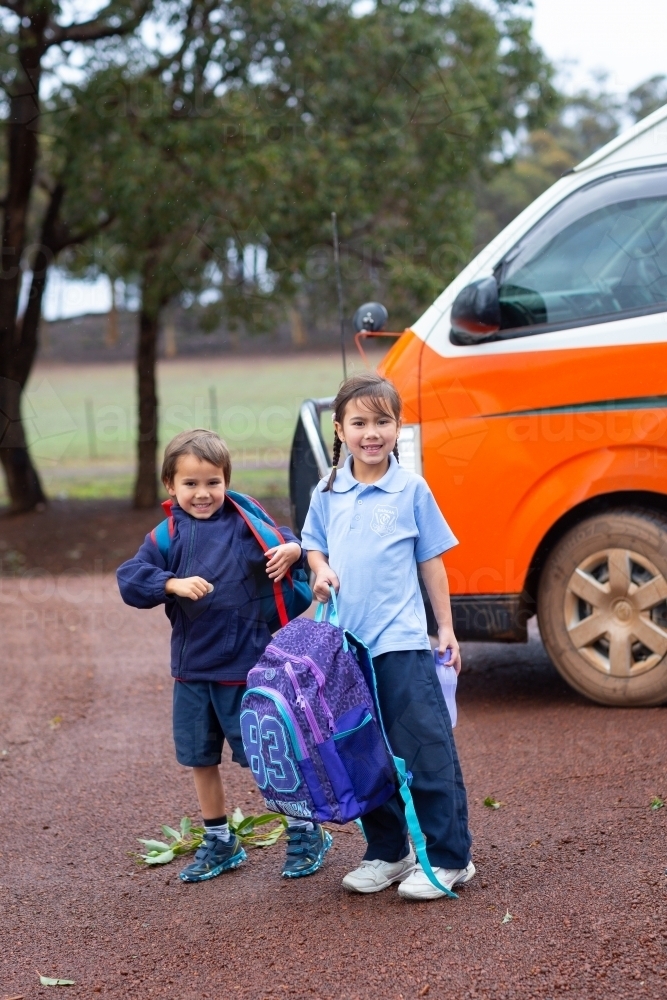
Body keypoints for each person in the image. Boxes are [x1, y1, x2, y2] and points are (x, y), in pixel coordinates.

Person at [117, 428, 331, 883]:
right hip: (193, 671)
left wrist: (292, 549)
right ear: (170, 487)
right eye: (190, 484)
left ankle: (304, 828)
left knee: (265, 757)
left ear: (226, 481)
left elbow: (287, 539)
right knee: (200, 758)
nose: (203, 493)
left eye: (213, 482)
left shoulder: (245, 520)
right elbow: (130, 578)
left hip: (247, 669)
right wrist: (170, 583)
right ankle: (220, 841)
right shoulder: (166, 535)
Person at [300, 373, 474, 900]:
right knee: (362, 753)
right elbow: (313, 547)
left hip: (400, 644)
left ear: (399, 428)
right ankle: (389, 851)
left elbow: (432, 562)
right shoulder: (327, 490)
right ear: (339, 429)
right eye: (359, 422)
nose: (370, 433)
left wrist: (444, 627)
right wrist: (319, 568)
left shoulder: (412, 489)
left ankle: (450, 858)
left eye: (383, 421)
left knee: (423, 750)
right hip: (346, 650)